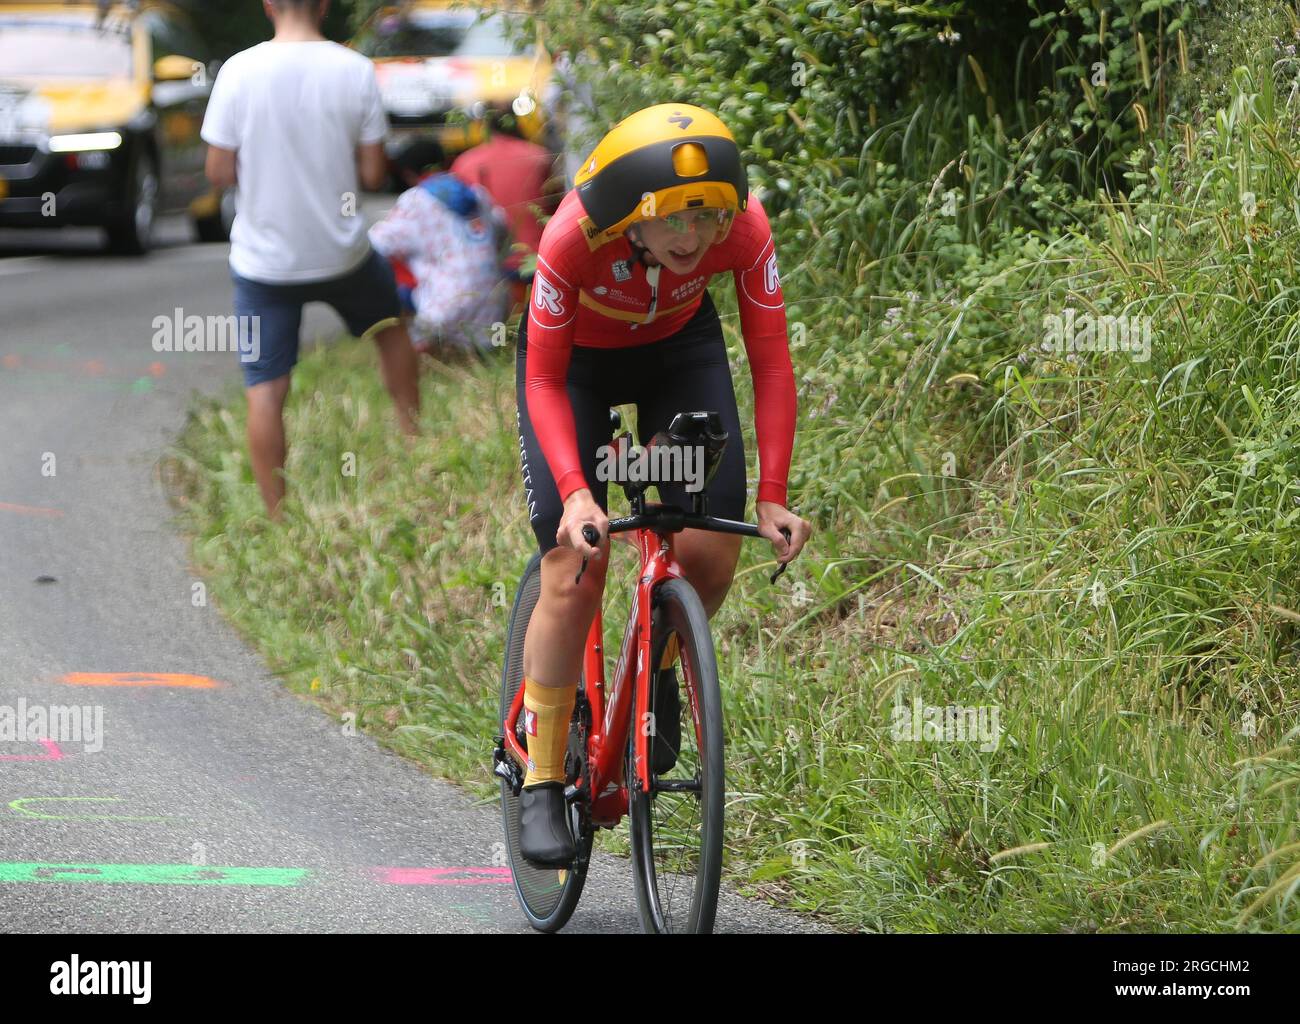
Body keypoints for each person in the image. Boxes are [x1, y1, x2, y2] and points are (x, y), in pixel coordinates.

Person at [513, 103, 813, 865]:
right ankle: (544, 777)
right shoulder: (571, 237)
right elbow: (542, 379)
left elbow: (772, 363)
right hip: (573, 369)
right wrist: (579, 490)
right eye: (671, 218)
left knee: (711, 547)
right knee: (579, 562)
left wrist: (772, 491)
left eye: (706, 216)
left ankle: (661, 668)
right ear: (628, 221)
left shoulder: (743, 231)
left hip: (679, 348)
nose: (692, 237)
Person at [201, 0, 420, 518]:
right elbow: (372, 176)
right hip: (343, 253)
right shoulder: (355, 70)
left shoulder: (238, 71)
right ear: (323, 5)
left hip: (264, 264)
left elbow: (216, 172)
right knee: (391, 330)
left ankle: (278, 514)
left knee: (266, 386)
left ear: (268, 5)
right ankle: (415, 439)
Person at [369, 138, 509, 354]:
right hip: (494, 309)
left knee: (382, 276)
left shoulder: (415, 200)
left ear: (408, 173)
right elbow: (502, 229)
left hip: (444, 308)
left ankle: (423, 347)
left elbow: (376, 246)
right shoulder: (477, 193)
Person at [450, 105, 561, 287]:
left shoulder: (466, 162)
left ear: (484, 128)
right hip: (538, 258)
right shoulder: (539, 156)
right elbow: (556, 207)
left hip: (486, 262)